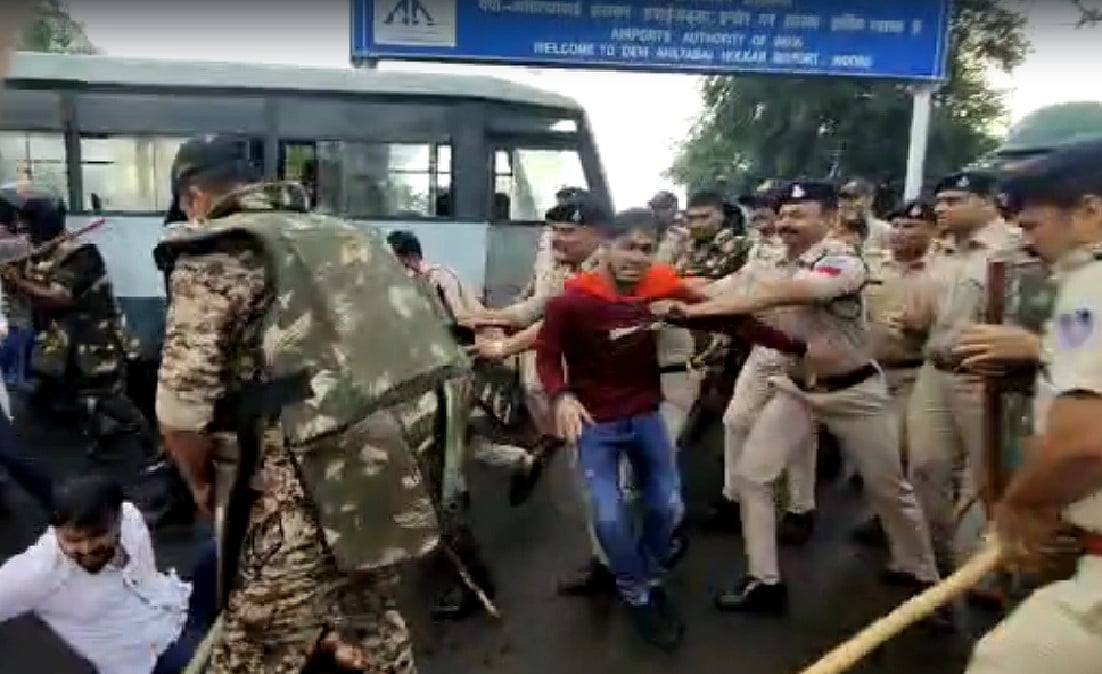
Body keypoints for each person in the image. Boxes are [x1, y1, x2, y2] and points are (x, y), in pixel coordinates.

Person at [154, 134, 463, 674]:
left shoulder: (219, 249)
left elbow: (181, 408)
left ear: (194, 196)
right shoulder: (349, 235)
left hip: (302, 481)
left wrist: (200, 484)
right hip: (394, 463)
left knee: (257, 642)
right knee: (367, 615)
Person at [653, 181, 940, 616]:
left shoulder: (843, 260)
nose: (786, 222)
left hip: (854, 391)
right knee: (753, 476)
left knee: (888, 488)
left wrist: (698, 312)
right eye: (783, 214)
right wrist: (652, 287)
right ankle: (764, 581)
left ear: (828, 219)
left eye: (798, 214)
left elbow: (794, 292)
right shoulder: (770, 261)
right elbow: (716, 286)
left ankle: (923, 578)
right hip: (799, 388)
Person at [536, 208, 809, 649]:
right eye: (628, 246)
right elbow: (548, 355)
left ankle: (646, 577)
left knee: (666, 507)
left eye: (647, 248)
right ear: (606, 247)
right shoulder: (572, 299)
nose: (637, 257)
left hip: (645, 416)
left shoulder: (663, 289)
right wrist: (561, 396)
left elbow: (729, 320)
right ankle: (638, 592)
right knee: (608, 514)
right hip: (595, 424)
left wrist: (796, 346)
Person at [961, 138, 1102, 674]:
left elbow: (1084, 443)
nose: (1026, 241)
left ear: (1089, 211)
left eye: (1032, 225)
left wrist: (1022, 504)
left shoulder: (1092, 282)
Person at [904, 171, 1021, 578]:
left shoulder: (1014, 248)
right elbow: (925, 318)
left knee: (985, 481)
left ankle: (981, 576)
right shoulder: (941, 251)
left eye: (955, 200)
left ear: (989, 201)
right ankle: (933, 570)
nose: (942, 208)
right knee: (924, 468)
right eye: (940, 201)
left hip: (983, 377)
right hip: (934, 371)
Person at [0, 474, 203, 674]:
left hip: (181, 606)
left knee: (216, 555)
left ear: (118, 520)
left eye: (97, 535)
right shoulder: (38, 571)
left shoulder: (131, 517)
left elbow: (148, 578)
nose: (86, 548)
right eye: (72, 540)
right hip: (149, 659)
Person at [1, 189, 150, 457]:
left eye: (27, 220)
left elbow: (61, 297)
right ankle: (88, 439)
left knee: (108, 396)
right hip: (60, 339)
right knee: (57, 393)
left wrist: (18, 282)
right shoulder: (37, 253)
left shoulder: (81, 253)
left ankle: (151, 446)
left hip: (94, 339)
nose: (20, 226)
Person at [854, 199, 940, 545]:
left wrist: (922, 329)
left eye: (913, 226)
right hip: (870, 372)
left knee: (907, 453)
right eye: (898, 225)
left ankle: (911, 535)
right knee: (877, 455)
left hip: (914, 374)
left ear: (933, 230)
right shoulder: (872, 265)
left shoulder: (939, 271)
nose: (901, 233)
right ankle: (884, 516)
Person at [837, 178, 892, 252]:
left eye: (853, 198)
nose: (846, 203)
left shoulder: (884, 230)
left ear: (869, 199)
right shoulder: (831, 230)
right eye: (843, 198)